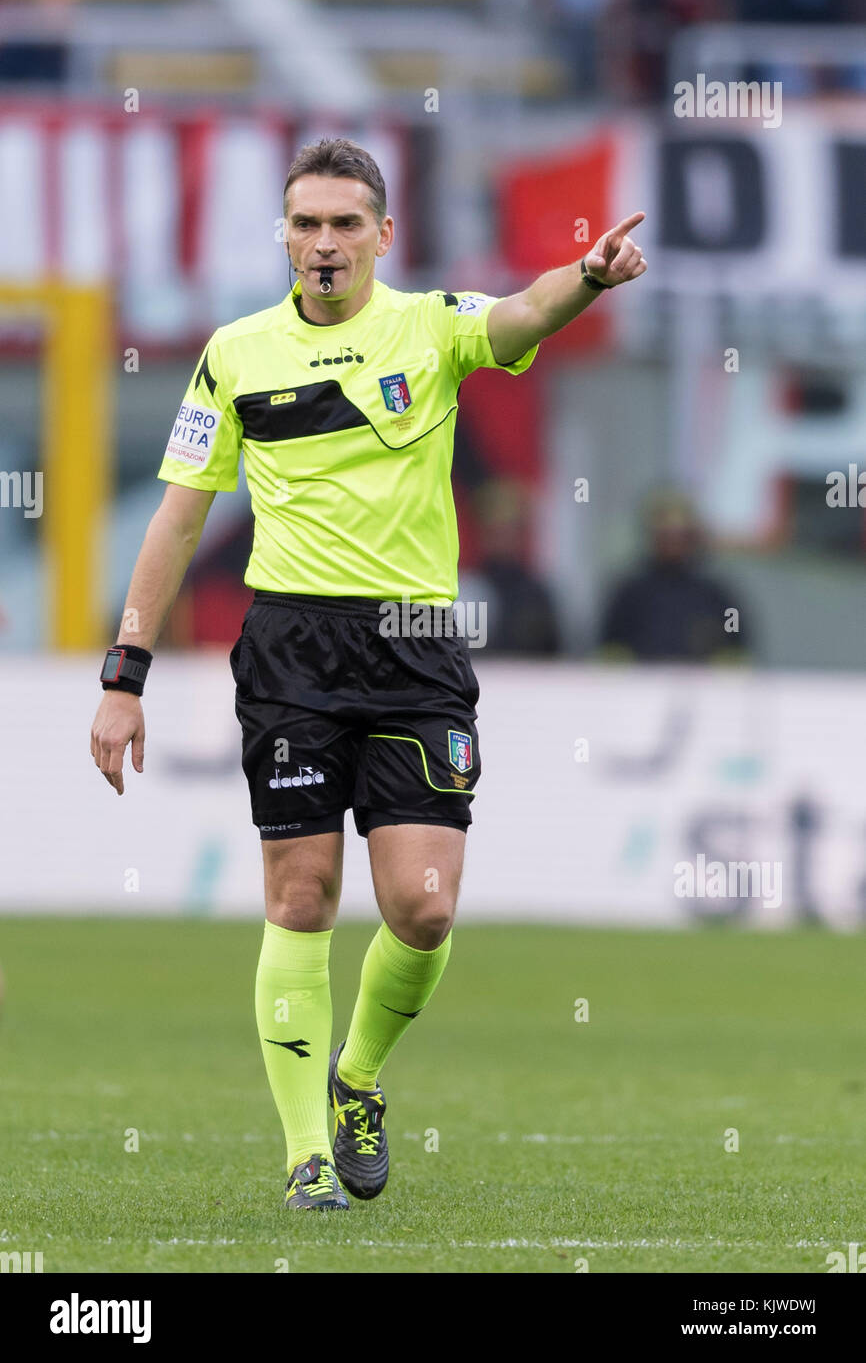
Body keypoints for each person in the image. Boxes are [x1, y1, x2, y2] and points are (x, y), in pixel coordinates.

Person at [90, 137, 647, 1210]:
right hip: (292, 648)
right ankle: (306, 1154)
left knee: (424, 908)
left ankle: (356, 1078)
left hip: (414, 645)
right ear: (284, 236)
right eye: (306, 223)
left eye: (346, 223)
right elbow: (176, 516)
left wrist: (583, 277)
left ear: (382, 235)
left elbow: (518, 317)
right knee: (300, 898)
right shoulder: (235, 355)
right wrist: (126, 671)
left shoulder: (429, 326)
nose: (325, 243)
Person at [599, 489, 751, 663]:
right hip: (641, 687)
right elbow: (609, 653)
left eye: (681, 535)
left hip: (702, 688)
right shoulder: (629, 595)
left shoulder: (717, 597)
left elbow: (737, 653)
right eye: (666, 535)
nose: (674, 543)